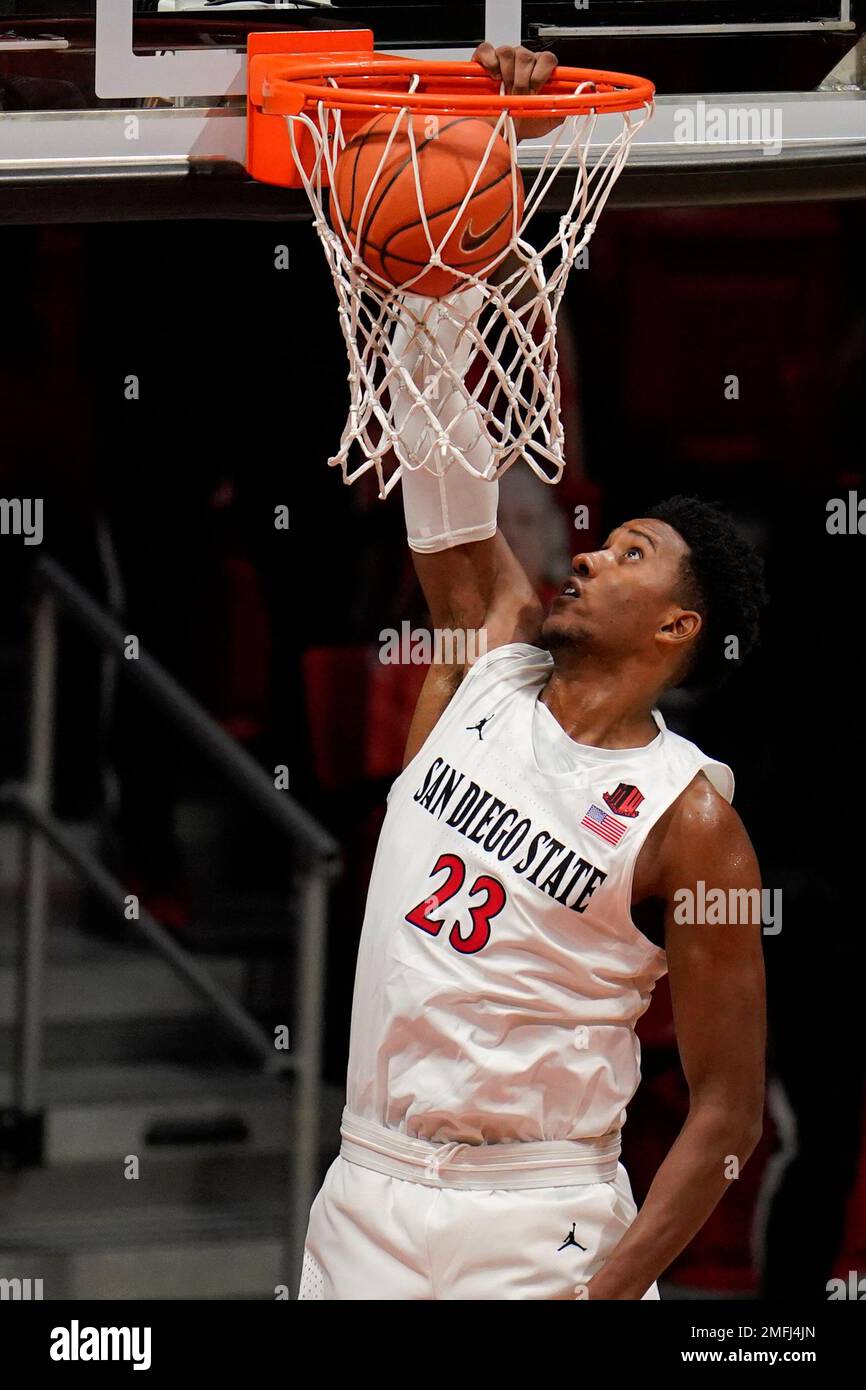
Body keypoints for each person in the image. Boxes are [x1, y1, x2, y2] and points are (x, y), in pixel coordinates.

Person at [297, 43, 768, 1302]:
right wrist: (464, 178)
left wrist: (602, 1293)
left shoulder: (691, 820)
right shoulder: (484, 664)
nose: (590, 555)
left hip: (538, 1216)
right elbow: (438, 450)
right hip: (366, 1184)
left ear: (675, 629)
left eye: (630, 555)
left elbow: (726, 1111)